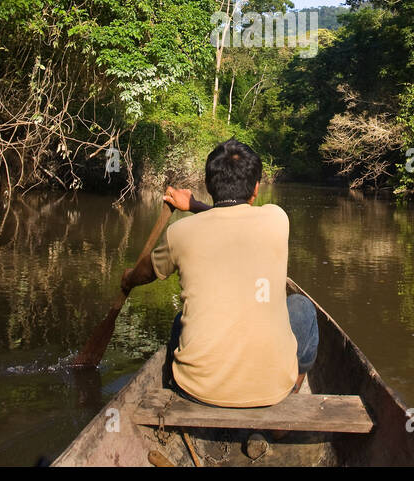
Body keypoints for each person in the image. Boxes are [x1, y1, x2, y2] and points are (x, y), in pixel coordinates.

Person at [120, 139, 319, 408]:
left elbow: (145, 273)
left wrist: (128, 279)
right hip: (274, 389)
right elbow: (233, 217)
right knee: (302, 307)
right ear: (256, 189)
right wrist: (195, 206)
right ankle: (292, 394)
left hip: (195, 389)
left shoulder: (180, 234)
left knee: (181, 320)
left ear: (210, 185)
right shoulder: (277, 219)